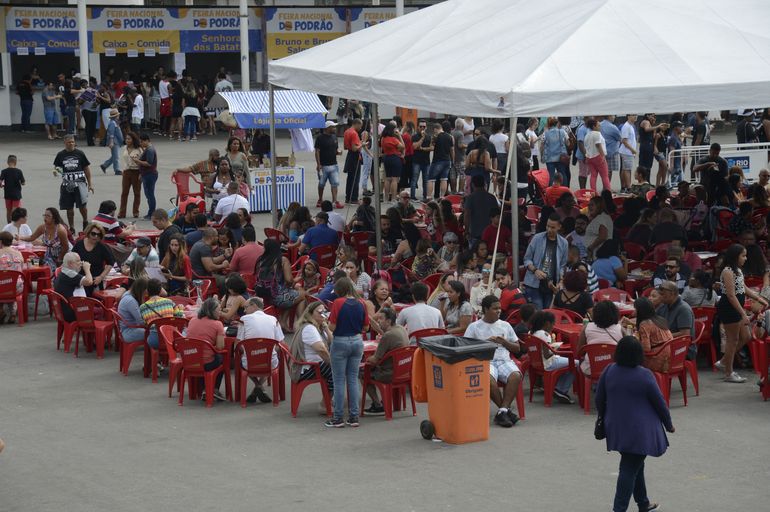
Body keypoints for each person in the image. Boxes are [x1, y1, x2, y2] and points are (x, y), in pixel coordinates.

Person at [595, 336, 674, 512]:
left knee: (635, 463)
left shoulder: (609, 370)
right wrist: (669, 424)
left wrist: (605, 416)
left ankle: (643, 504)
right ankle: (619, 509)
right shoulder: (644, 375)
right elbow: (660, 403)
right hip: (640, 432)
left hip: (617, 428)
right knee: (629, 467)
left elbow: (599, 399)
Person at [464, 295, 522, 428]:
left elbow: (517, 348)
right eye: (495, 308)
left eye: (499, 308)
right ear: (486, 309)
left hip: (504, 360)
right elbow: (466, 348)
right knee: (488, 380)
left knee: (516, 376)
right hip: (485, 361)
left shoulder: (505, 325)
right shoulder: (474, 327)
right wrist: (485, 343)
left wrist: (504, 342)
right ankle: (505, 411)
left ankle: (502, 411)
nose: (499, 311)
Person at [715, 244, 768, 383]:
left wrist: (759, 298)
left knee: (746, 336)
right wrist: (743, 314)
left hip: (736, 308)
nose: (745, 258)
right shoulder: (727, 271)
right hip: (729, 308)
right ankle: (729, 372)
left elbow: (743, 288)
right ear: (735, 256)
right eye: (743, 256)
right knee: (733, 340)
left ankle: (723, 361)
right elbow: (731, 296)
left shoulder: (738, 270)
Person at [325, 277, 368, 428]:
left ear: (339, 290)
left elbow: (332, 327)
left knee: (338, 380)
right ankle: (354, 416)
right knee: (353, 379)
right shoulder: (361, 303)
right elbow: (366, 327)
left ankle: (338, 417)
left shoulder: (338, 303)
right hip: (357, 341)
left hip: (340, 341)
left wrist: (326, 324)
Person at [362, 306, 409, 415]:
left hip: (389, 373)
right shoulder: (401, 329)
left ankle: (377, 405)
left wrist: (366, 359)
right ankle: (391, 403)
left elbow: (374, 360)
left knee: (363, 374)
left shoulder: (387, 336)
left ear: (388, 321)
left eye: (381, 319)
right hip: (404, 370)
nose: (378, 321)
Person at [236, 297, 283, 403]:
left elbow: (238, 345)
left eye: (245, 307)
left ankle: (257, 386)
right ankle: (259, 386)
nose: (244, 311)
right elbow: (281, 344)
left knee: (242, 359)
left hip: (250, 363)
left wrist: (247, 351)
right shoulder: (273, 319)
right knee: (271, 357)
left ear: (254, 306)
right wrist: (270, 351)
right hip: (269, 362)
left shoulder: (243, 320)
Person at [288, 300, 334, 403]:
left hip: (314, 365)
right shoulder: (309, 328)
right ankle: (325, 403)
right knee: (338, 370)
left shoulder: (319, 327)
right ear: (310, 314)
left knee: (341, 365)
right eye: (319, 312)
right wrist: (333, 363)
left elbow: (333, 342)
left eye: (324, 312)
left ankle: (330, 400)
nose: (323, 314)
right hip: (305, 369)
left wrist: (326, 327)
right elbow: (321, 350)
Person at [255, 239, 306, 326]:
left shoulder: (261, 260)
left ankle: (283, 322)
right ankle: (300, 324)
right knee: (302, 295)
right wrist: (295, 280)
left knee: (291, 295)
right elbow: (289, 280)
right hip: (277, 297)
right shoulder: (282, 260)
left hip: (262, 295)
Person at [523, 213, 568, 309]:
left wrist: (560, 281)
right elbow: (527, 259)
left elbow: (562, 265)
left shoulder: (564, 243)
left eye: (553, 227)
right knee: (538, 311)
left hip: (551, 286)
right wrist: (535, 270)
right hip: (533, 284)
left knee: (549, 312)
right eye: (547, 226)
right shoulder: (537, 238)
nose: (549, 229)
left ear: (559, 227)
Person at [529, 311, 576, 403]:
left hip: (538, 363)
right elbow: (547, 355)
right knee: (576, 363)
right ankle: (561, 390)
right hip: (548, 362)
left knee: (568, 363)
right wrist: (555, 350)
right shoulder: (545, 335)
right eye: (553, 324)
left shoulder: (534, 333)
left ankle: (558, 387)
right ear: (547, 324)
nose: (553, 326)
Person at [186, 298, 226, 401]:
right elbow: (220, 347)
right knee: (222, 360)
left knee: (203, 357)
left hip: (190, 360)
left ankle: (204, 389)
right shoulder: (217, 324)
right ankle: (213, 389)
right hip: (205, 363)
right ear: (211, 310)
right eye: (218, 310)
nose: (220, 312)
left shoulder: (192, 320)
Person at [53, 135, 94, 233]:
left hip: (80, 183)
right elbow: (57, 168)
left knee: (82, 206)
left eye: (72, 142)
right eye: (69, 142)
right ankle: (72, 228)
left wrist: (90, 184)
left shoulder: (80, 153)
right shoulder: (60, 155)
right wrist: (56, 172)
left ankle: (85, 222)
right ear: (64, 143)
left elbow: (86, 168)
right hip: (67, 185)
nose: (71, 144)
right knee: (69, 208)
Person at [577, 300, 623, 375]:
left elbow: (579, 351)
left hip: (590, 369)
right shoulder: (620, 329)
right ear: (615, 314)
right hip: (614, 370)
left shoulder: (587, 327)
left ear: (595, 314)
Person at [72, 223, 114, 296]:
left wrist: (101, 277)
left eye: (99, 235)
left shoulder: (102, 247)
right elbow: (72, 258)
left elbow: (110, 262)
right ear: (88, 233)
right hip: (81, 279)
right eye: (93, 234)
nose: (96, 236)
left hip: (96, 281)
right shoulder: (79, 244)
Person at [139, 278, 182, 350]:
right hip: (172, 338)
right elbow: (180, 316)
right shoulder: (169, 302)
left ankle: (157, 355)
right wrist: (181, 309)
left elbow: (144, 324)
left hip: (155, 341)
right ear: (160, 290)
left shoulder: (142, 307)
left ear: (147, 291)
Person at [633, 297, 672, 373]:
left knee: (631, 358)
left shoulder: (644, 324)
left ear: (641, 311)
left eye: (635, 309)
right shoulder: (660, 319)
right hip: (670, 359)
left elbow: (646, 349)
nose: (634, 311)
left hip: (657, 359)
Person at [54, 252, 94, 323]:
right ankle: (91, 329)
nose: (81, 263)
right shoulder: (70, 274)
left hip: (65, 310)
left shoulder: (64, 271)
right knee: (101, 311)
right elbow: (89, 282)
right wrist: (87, 269)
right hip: (73, 312)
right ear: (70, 263)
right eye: (78, 261)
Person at [463, 175, 499, 247]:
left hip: (475, 233)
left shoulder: (470, 198)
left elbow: (467, 215)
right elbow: (497, 215)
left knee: (475, 252)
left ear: (473, 185)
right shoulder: (492, 197)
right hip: (491, 233)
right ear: (484, 184)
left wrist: (466, 231)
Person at [315, 120, 343, 209]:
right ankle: (320, 200)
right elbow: (317, 151)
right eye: (333, 127)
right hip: (323, 165)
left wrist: (338, 152)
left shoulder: (334, 137)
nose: (335, 128)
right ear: (327, 128)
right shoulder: (320, 138)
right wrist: (318, 164)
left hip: (334, 164)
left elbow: (335, 149)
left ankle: (334, 201)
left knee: (335, 183)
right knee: (321, 184)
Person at [117, 277, 150, 347]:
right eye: (146, 290)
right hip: (128, 332)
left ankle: (150, 351)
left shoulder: (128, 294)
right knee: (155, 333)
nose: (147, 292)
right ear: (142, 290)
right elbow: (141, 321)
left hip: (126, 329)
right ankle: (154, 352)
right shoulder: (131, 301)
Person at [0, 232, 24, 323]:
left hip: (2, 286)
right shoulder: (18, 253)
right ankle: (13, 313)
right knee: (10, 284)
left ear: (1, 242)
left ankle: (1, 311)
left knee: (4, 284)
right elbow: (21, 268)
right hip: (17, 287)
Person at [133, 133, 158, 220]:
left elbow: (149, 163)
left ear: (147, 141)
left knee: (150, 195)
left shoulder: (150, 150)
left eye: (142, 141)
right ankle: (151, 212)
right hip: (146, 174)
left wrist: (138, 161)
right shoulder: (147, 149)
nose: (141, 143)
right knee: (149, 194)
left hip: (149, 174)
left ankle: (151, 213)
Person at [118, 132, 142, 219]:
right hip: (126, 172)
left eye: (129, 139)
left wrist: (141, 173)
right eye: (126, 139)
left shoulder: (139, 149)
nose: (127, 140)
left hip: (136, 172)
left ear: (133, 140)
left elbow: (142, 162)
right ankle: (122, 212)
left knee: (137, 193)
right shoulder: (125, 148)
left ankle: (136, 212)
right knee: (124, 193)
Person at [428, 122, 454, 199]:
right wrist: (452, 160)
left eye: (434, 130)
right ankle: (442, 197)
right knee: (444, 179)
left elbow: (431, 147)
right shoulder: (449, 137)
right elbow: (452, 150)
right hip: (447, 160)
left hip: (437, 160)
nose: (434, 132)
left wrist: (432, 140)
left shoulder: (436, 137)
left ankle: (428, 197)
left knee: (430, 179)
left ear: (436, 129)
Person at [584, 119, 611, 192]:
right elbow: (598, 145)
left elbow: (586, 147)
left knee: (593, 176)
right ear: (594, 126)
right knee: (605, 176)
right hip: (598, 156)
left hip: (589, 157)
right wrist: (603, 156)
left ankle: (593, 192)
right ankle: (608, 192)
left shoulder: (587, 135)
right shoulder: (597, 134)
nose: (600, 127)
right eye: (598, 125)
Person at [381, 123, 405, 202]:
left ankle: (386, 198)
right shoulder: (394, 139)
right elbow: (403, 146)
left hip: (386, 158)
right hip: (395, 158)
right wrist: (399, 136)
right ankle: (393, 198)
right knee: (395, 179)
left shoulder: (383, 139)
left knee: (387, 178)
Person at [541, 117, 568, 185]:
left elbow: (542, 146)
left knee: (550, 175)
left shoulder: (545, 133)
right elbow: (567, 142)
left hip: (549, 158)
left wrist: (542, 156)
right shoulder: (562, 131)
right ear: (556, 123)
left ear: (549, 124)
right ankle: (564, 189)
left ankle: (551, 190)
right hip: (561, 157)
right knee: (562, 174)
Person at [342, 118, 363, 204]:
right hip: (355, 156)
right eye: (360, 126)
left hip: (349, 155)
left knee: (350, 178)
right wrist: (362, 144)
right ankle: (354, 198)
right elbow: (354, 148)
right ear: (356, 124)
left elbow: (345, 147)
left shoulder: (347, 132)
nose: (360, 128)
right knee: (355, 178)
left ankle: (348, 197)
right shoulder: (354, 133)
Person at [1, 156, 25, 224]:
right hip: (16, 194)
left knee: (8, 210)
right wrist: (21, 183)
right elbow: (23, 182)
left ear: (7, 162)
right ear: (15, 162)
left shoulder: (4, 171)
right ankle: (13, 224)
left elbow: (1, 182)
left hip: (7, 194)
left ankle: (8, 224)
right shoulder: (19, 171)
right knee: (14, 211)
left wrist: (2, 185)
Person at [99, 109, 123, 176]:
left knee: (115, 156)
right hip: (114, 142)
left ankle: (104, 165)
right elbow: (111, 133)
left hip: (116, 141)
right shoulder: (112, 123)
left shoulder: (115, 122)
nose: (118, 116)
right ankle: (117, 170)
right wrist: (111, 142)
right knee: (116, 157)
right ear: (116, 116)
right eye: (118, 115)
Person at [618, 114, 638, 193]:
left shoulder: (631, 126)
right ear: (628, 116)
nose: (635, 116)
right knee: (627, 170)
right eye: (633, 115)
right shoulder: (626, 126)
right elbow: (624, 141)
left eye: (636, 115)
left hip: (628, 152)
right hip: (627, 152)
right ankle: (628, 188)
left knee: (625, 169)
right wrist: (633, 150)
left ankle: (624, 187)